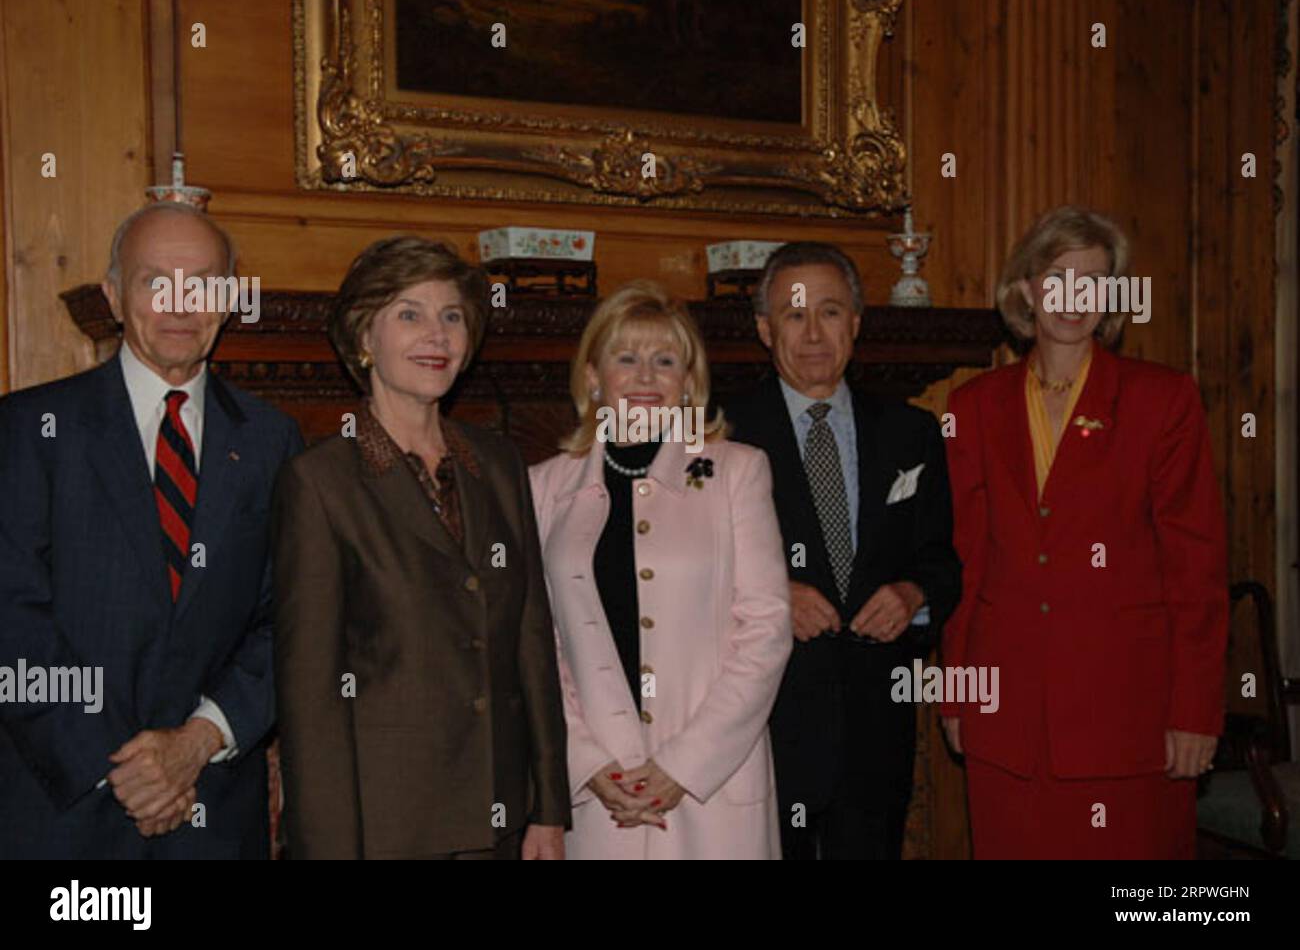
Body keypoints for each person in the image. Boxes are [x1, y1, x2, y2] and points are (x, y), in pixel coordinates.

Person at [0, 201, 302, 858]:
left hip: (215, 815)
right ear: (113, 295)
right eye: (153, 280)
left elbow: (294, 619)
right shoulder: (27, 431)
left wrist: (196, 744)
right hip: (65, 814)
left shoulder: (274, 443)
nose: (178, 303)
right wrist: (130, 775)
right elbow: (11, 618)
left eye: (201, 283)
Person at [941, 205, 1228, 858]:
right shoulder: (974, 407)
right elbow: (963, 560)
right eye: (1057, 277)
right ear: (1025, 289)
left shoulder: (1164, 400)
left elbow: (1197, 567)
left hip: (1128, 717)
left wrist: (1194, 712)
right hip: (1005, 717)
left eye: (1092, 281)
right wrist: (955, 693)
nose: (1072, 298)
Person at [273, 236, 569, 859]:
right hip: (386, 831)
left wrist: (548, 808)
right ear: (363, 338)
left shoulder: (498, 462)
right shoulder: (321, 482)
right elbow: (312, 697)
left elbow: (531, 641)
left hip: (501, 821)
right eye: (410, 314)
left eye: (452, 316)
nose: (436, 335)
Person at [529, 280, 792, 859]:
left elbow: (767, 629)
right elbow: (537, 647)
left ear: (688, 382)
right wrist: (588, 763)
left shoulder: (738, 472)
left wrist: (682, 765)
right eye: (627, 358)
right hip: (601, 796)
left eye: (665, 360)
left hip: (714, 789)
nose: (646, 376)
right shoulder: (543, 487)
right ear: (594, 375)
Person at [727, 242, 961, 860]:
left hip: (876, 730)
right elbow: (681, 577)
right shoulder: (718, 433)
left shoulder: (912, 433)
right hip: (762, 728)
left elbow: (942, 560)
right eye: (794, 313)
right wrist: (772, 599)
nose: (812, 334)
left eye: (830, 312)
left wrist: (913, 594)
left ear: (855, 325)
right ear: (763, 328)